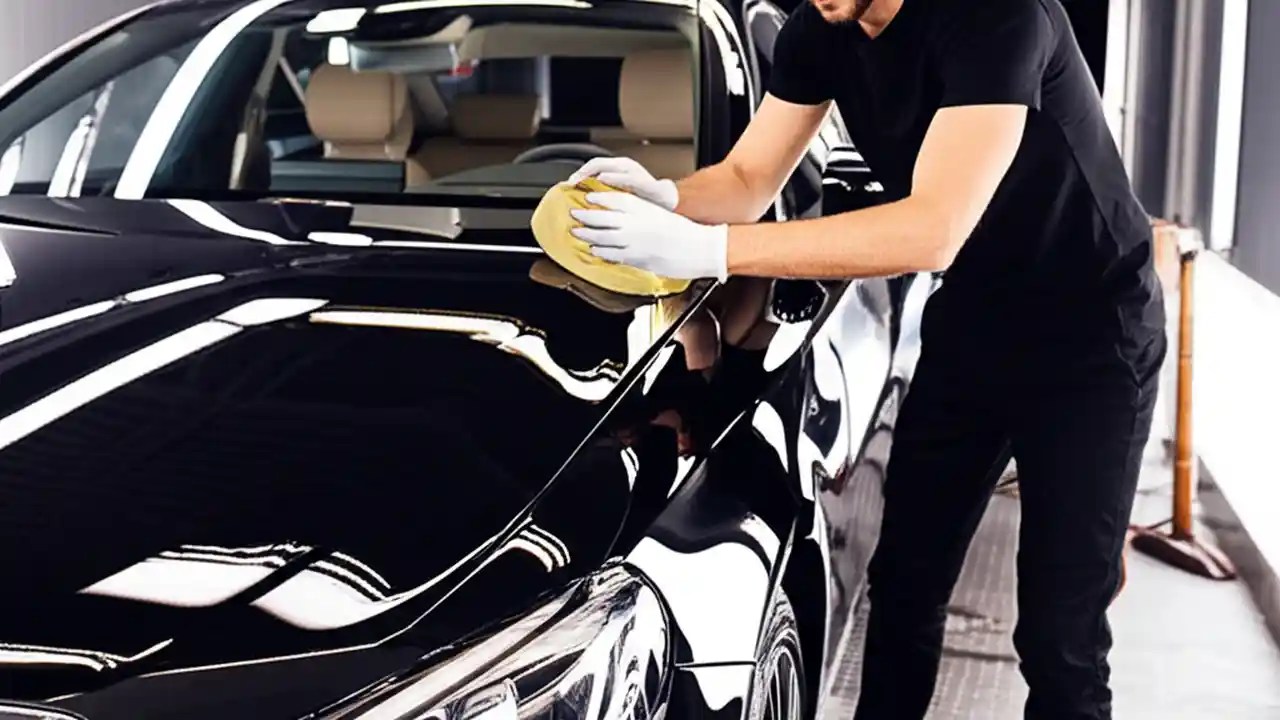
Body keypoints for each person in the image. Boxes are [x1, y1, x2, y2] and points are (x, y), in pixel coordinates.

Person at [561, 0, 1167, 717]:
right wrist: (668, 198)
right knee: (904, 587)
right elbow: (749, 178)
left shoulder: (997, 17)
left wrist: (710, 251)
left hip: (1091, 334)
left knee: (1060, 634)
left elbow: (933, 229)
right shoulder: (820, 29)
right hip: (974, 318)